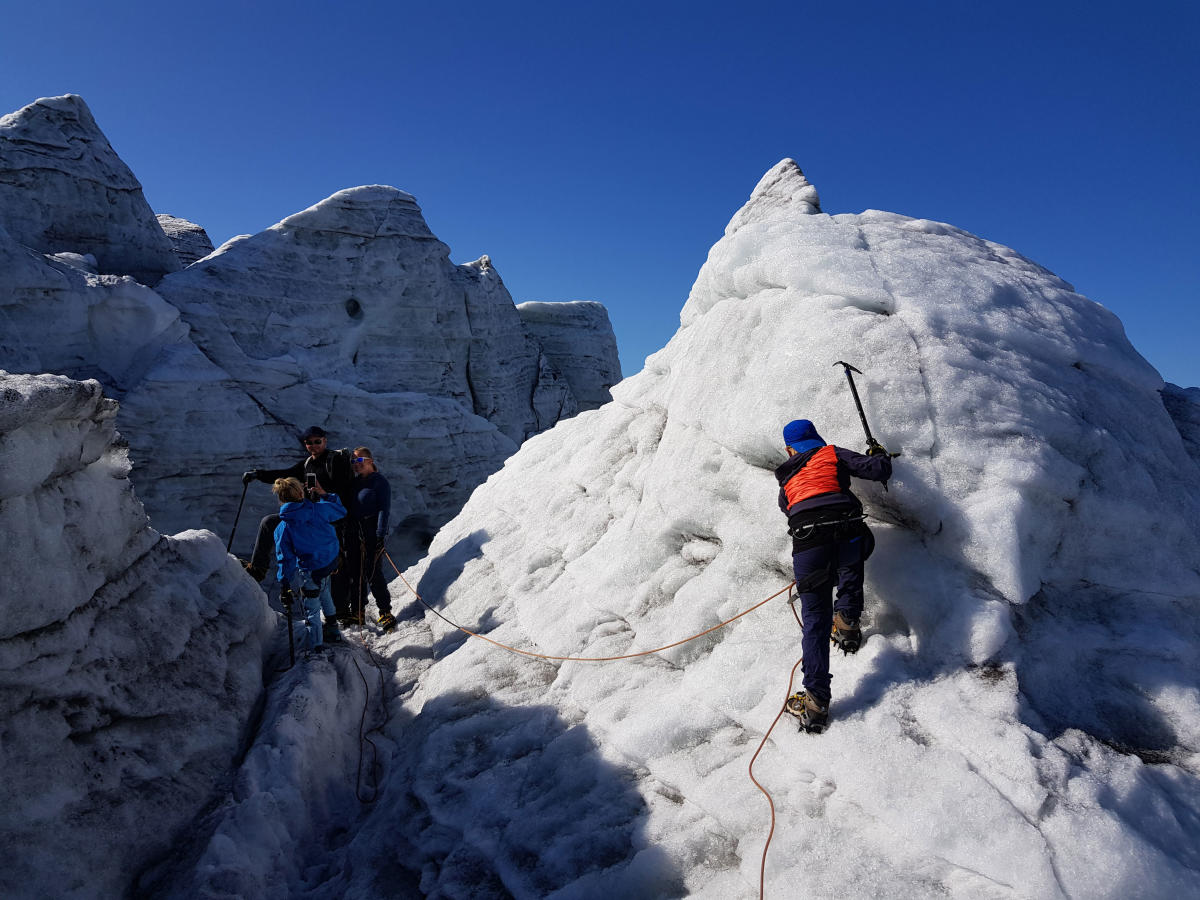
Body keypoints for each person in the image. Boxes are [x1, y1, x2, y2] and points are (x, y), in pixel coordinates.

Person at [774, 418, 892, 733]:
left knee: (815, 618)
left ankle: (815, 702)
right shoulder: (831, 453)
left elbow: (789, 508)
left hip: (809, 542)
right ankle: (848, 624)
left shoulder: (787, 478)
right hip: (846, 527)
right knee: (851, 564)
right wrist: (878, 454)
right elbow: (876, 470)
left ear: (789, 449)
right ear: (816, 438)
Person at [242, 426, 357, 624]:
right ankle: (258, 569)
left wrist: (322, 491)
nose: (313, 446)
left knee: (335, 564)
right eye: (309, 442)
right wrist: (258, 474)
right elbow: (285, 474)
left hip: (327, 517)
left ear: (325, 441)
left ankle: (341, 611)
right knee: (269, 522)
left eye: (317, 441)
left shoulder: (335, 461)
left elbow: (345, 488)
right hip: (306, 514)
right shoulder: (306, 465)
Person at [272, 476, 347, 652]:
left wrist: (284, 584)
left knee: (312, 606)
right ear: (301, 493)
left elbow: (286, 558)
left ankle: (316, 648)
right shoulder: (319, 509)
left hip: (311, 568)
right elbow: (340, 511)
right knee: (325, 590)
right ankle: (333, 629)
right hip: (330, 560)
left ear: (281, 498)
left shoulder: (283, 528)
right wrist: (325, 494)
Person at [347, 446, 396, 632]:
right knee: (356, 571)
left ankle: (385, 611)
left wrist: (380, 535)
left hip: (371, 531)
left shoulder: (379, 482)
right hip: (355, 531)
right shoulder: (356, 482)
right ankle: (357, 610)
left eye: (359, 460)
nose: (356, 465)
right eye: (353, 461)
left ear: (370, 460)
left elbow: (384, 509)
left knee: (373, 572)